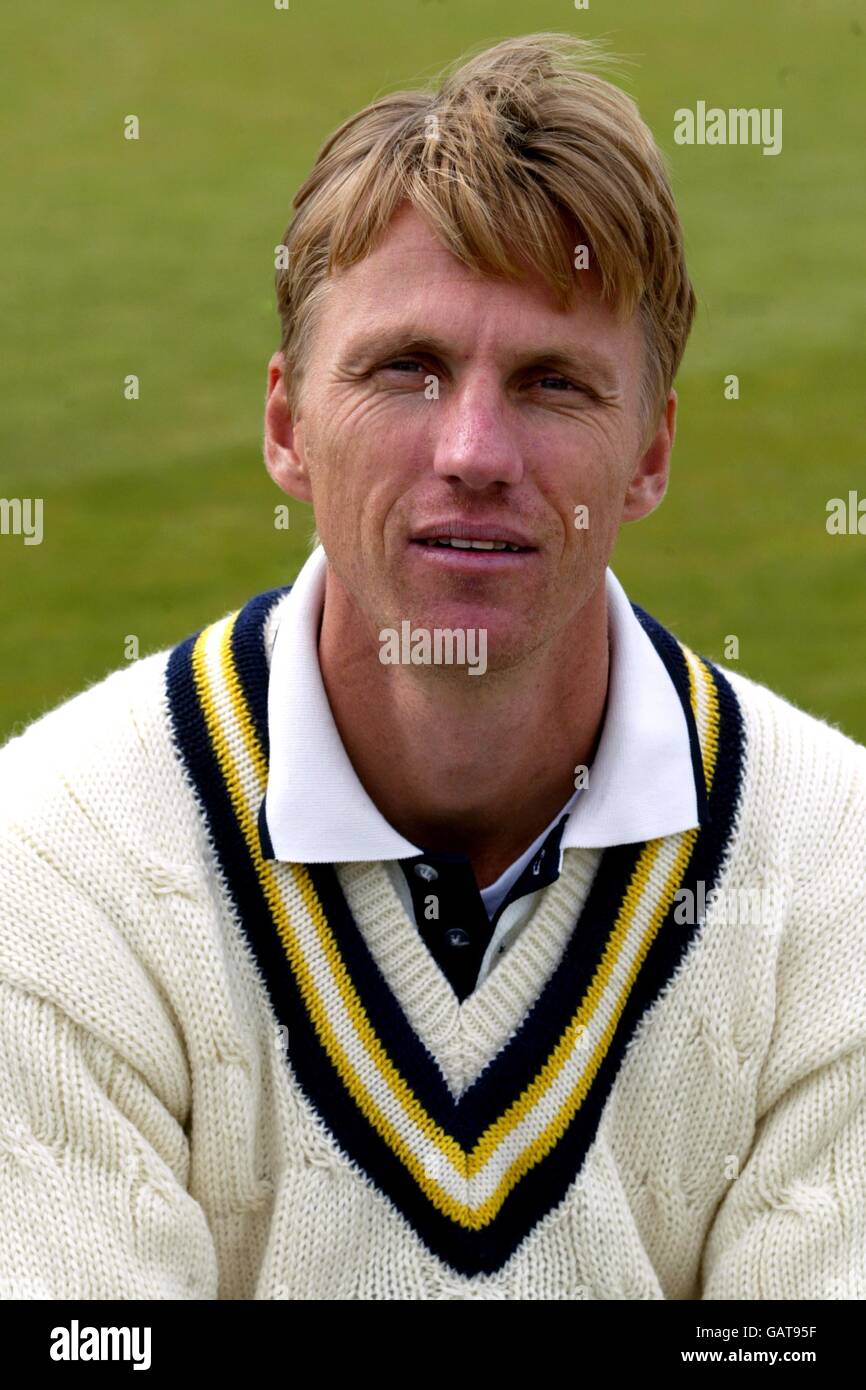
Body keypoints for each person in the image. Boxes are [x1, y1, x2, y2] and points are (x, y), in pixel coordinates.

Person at [1, 31, 864, 1301]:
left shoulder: (833, 869)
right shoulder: (54, 857)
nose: (471, 449)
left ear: (649, 453)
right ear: (288, 423)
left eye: (553, 383)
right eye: (406, 370)